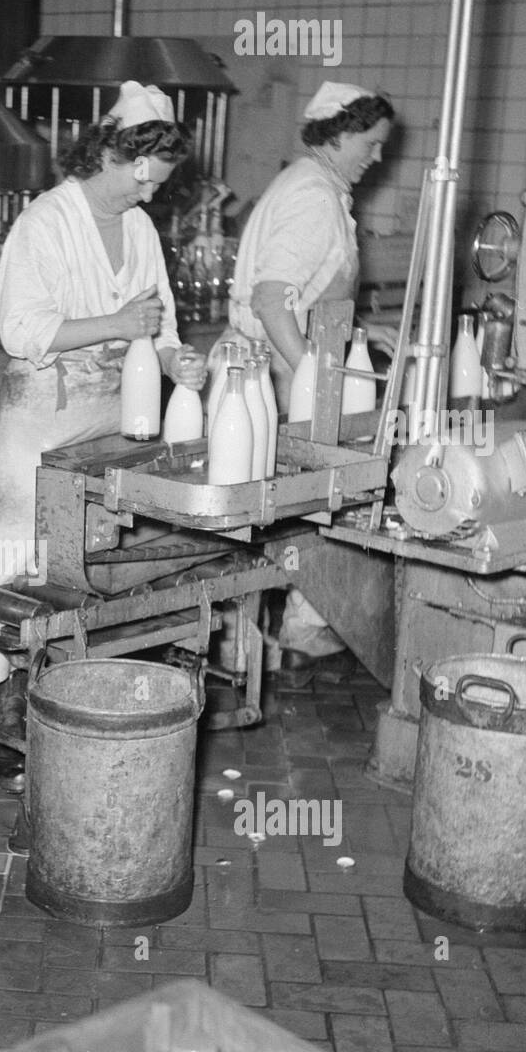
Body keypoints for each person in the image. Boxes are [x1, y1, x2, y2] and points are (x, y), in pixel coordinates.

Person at [0, 81, 208, 787]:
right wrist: (116, 327)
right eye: (147, 181)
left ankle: (72, 706)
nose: (151, 197)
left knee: (84, 569)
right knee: (15, 570)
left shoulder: (138, 230)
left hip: (112, 418)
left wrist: (176, 357)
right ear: (116, 156)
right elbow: (20, 330)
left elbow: (158, 324)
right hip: (42, 416)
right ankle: (2, 726)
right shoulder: (44, 224)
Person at [219, 81, 397, 684]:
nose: (376, 157)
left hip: (288, 371)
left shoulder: (315, 186)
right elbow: (273, 303)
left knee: (298, 511)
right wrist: (313, 377)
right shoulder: (314, 196)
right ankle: (279, 638)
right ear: (342, 134)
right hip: (276, 378)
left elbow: (306, 292)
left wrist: (362, 335)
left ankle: (297, 631)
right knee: (291, 511)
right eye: (371, 144)